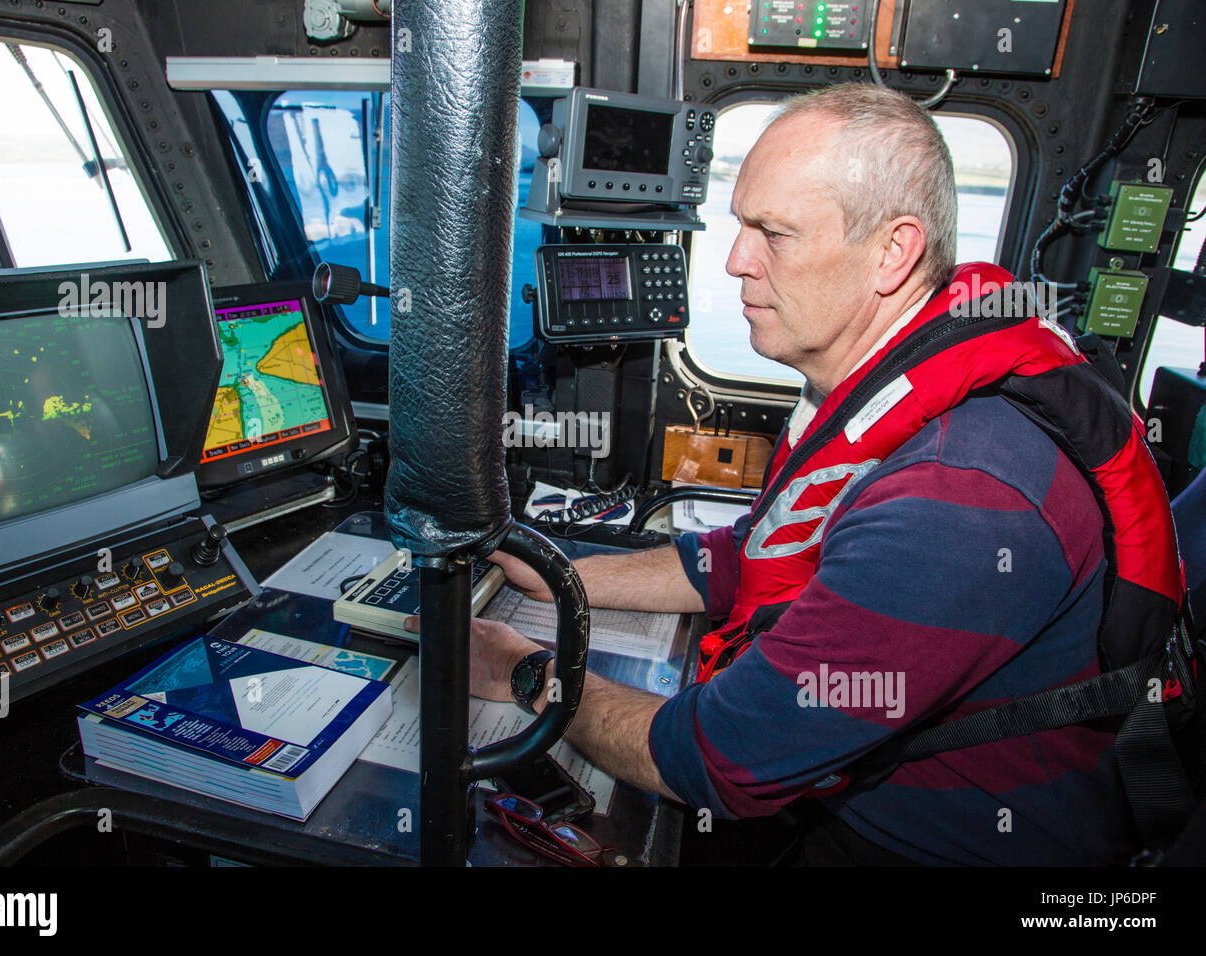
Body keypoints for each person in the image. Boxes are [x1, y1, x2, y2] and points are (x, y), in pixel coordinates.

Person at [406, 83, 1181, 865]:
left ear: (893, 253)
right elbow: (754, 553)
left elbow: (715, 757)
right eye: (741, 224)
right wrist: (563, 575)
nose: (737, 261)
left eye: (773, 233)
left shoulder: (960, 494)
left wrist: (523, 672)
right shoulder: (894, 388)